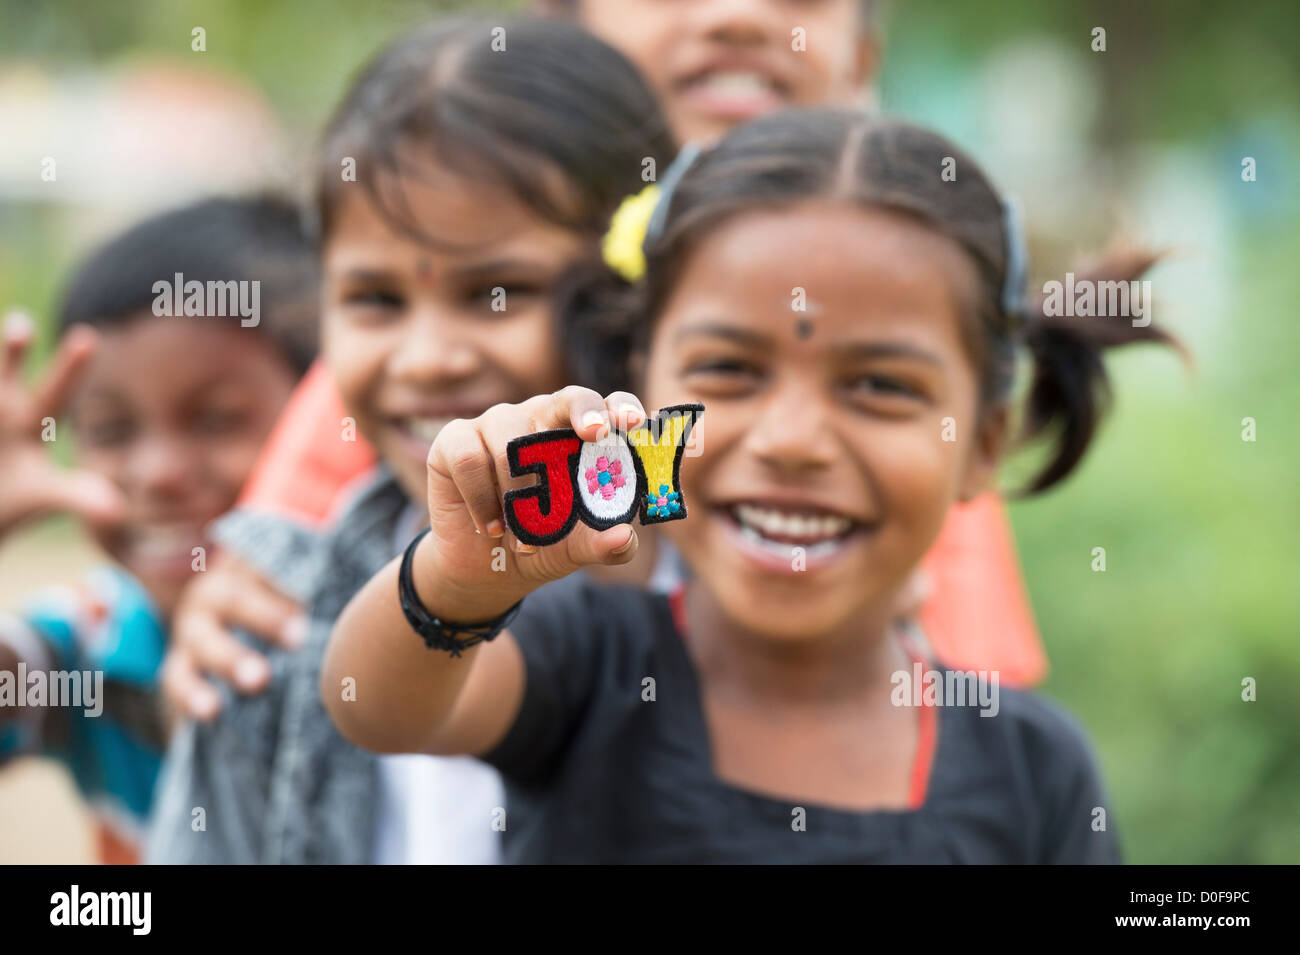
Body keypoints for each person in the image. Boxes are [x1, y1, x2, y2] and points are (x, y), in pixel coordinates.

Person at [323, 110, 1182, 863]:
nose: (792, 442)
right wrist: (457, 585)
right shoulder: (585, 659)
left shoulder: (1037, 773)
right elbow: (375, 710)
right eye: (730, 369)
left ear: (983, 444)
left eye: (880, 385)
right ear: (641, 388)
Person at [164, 0, 1044, 728]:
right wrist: (276, 556)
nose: (736, 14)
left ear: (863, 59)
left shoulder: (915, 307)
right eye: (730, 366)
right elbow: (350, 675)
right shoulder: (552, 614)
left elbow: (980, 717)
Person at [145, 17, 679, 864]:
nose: (428, 360)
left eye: (497, 291)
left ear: (635, 292)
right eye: (375, 300)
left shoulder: (739, 587)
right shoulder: (269, 615)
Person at [0, 196, 316, 862]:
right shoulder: (93, 641)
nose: (159, 473)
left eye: (216, 419)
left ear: (321, 414)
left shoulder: (394, 632)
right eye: (112, 431)